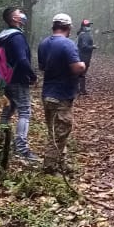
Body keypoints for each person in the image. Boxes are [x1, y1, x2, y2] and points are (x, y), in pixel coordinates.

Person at [37, 13, 85, 176]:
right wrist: (82, 65)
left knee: (54, 131)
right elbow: (76, 68)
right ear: (68, 27)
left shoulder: (43, 43)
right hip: (62, 95)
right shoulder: (68, 44)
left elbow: (42, 66)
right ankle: (49, 168)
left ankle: (61, 164)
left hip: (47, 93)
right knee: (61, 132)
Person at [0, 6, 38, 161]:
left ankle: (2, 141)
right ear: (14, 18)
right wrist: (32, 76)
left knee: (8, 111)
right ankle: (21, 149)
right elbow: (21, 60)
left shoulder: (4, 36)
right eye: (20, 13)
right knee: (24, 112)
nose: (23, 14)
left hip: (5, 79)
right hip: (18, 80)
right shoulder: (17, 37)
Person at [76, 19, 94, 95]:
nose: (88, 27)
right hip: (83, 56)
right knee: (81, 73)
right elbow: (84, 46)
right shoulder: (84, 35)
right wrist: (92, 46)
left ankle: (79, 90)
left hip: (82, 56)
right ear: (83, 26)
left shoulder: (81, 34)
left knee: (80, 73)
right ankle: (81, 90)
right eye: (87, 25)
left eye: (89, 25)